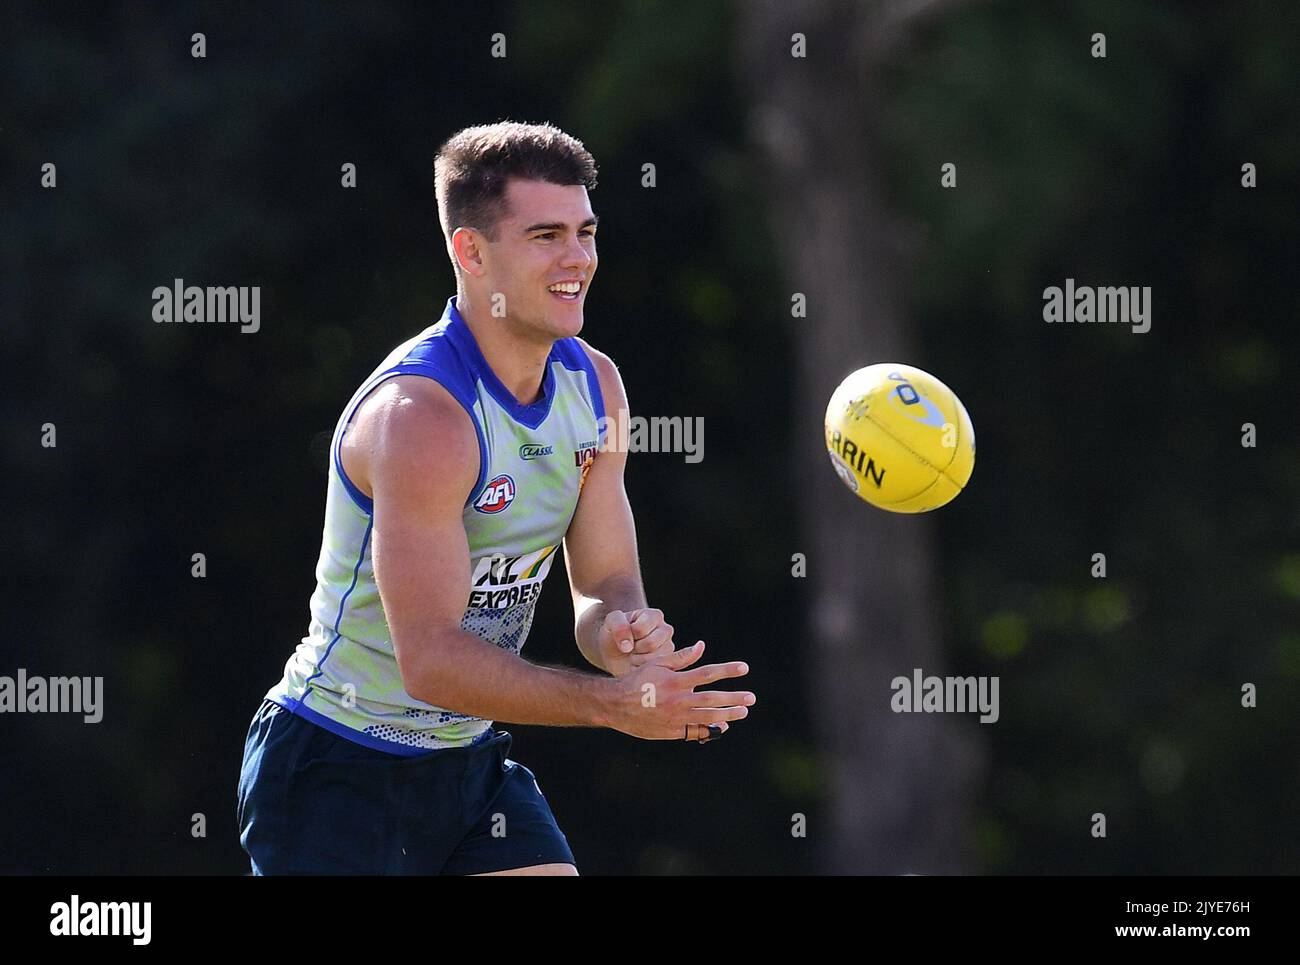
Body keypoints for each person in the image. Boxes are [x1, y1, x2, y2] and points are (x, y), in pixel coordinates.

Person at [237, 120, 756, 875]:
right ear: (470, 252)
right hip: (336, 765)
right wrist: (613, 705)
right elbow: (432, 662)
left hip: (467, 764)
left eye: (586, 231)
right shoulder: (424, 419)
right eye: (545, 234)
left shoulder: (596, 386)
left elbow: (606, 584)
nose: (577, 257)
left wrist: (622, 637)